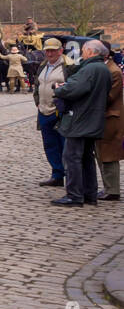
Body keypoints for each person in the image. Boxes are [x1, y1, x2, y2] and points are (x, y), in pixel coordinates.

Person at [50, 39, 113, 206]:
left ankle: (74, 195)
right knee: (86, 158)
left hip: (80, 119)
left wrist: (58, 88)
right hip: (92, 118)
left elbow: (73, 89)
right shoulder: (103, 68)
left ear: (91, 52)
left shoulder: (90, 68)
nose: (82, 53)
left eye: (84, 50)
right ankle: (89, 194)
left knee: (72, 157)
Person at [33, 37, 69, 189]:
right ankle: (57, 175)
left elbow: (73, 86)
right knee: (50, 145)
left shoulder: (69, 66)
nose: (50, 53)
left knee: (65, 145)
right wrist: (37, 101)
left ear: (60, 51)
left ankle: (71, 177)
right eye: (47, 50)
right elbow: (37, 85)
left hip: (60, 112)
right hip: (44, 111)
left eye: (53, 50)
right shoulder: (43, 66)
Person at [97, 55, 123, 202]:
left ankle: (112, 190)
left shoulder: (113, 71)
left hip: (111, 118)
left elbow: (109, 96)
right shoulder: (106, 69)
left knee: (110, 154)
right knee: (102, 153)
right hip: (104, 117)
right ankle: (108, 188)